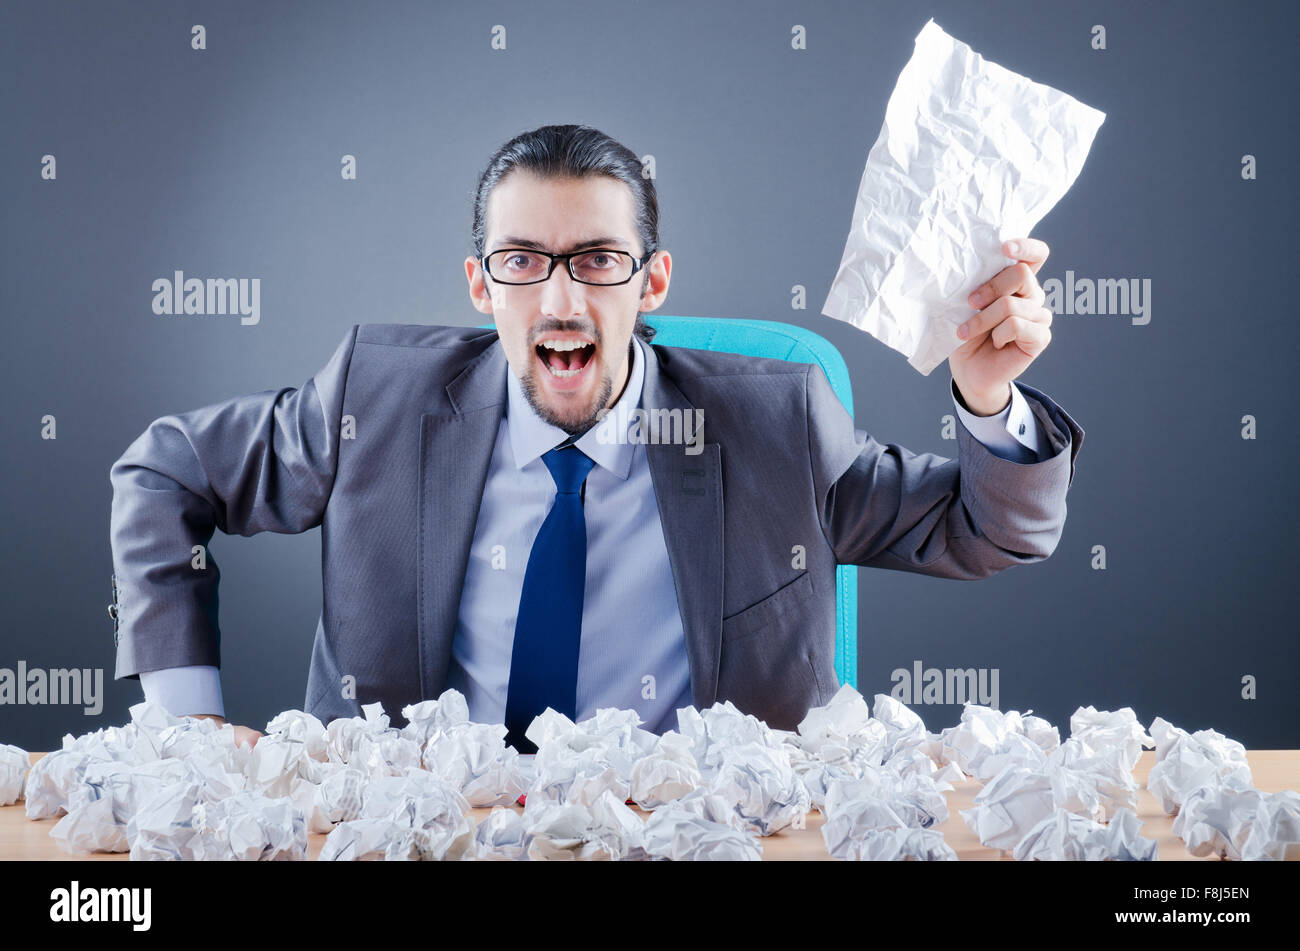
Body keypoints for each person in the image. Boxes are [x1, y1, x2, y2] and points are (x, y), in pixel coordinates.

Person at [109, 124, 1082, 752]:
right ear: (481, 286)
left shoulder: (774, 420)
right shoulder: (379, 398)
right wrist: (186, 718)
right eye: (525, 262)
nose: (563, 299)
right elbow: (164, 473)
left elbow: (984, 529)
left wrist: (987, 395)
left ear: (650, 283)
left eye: (598, 260)